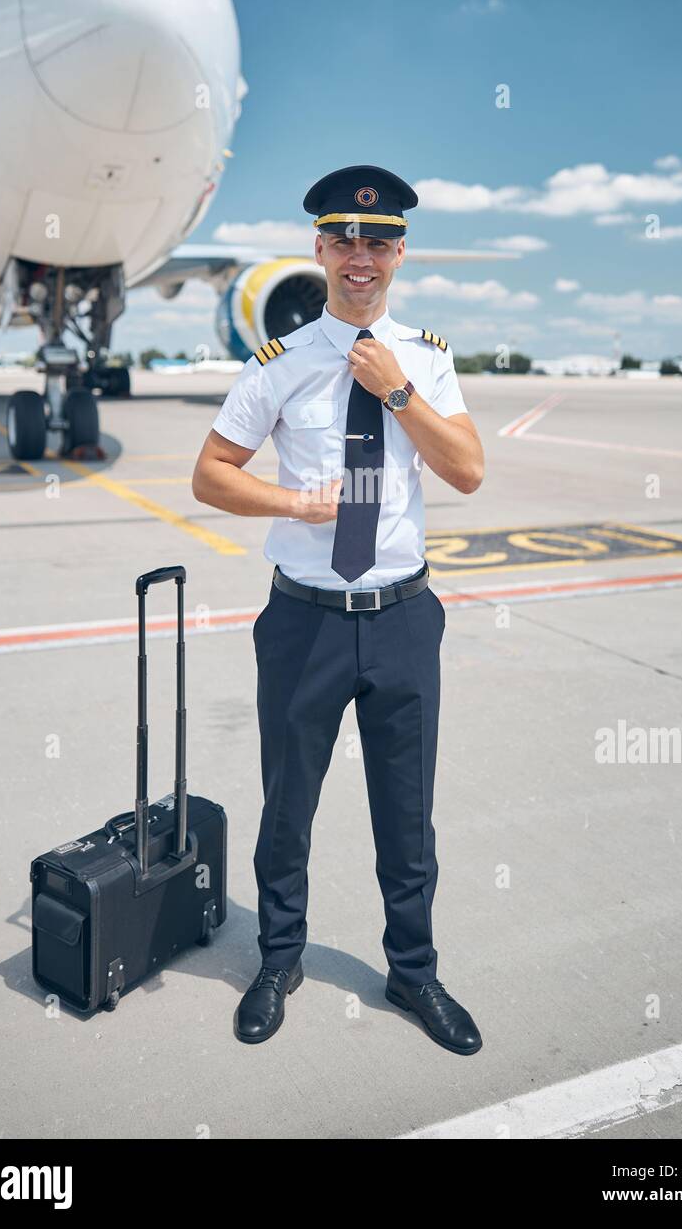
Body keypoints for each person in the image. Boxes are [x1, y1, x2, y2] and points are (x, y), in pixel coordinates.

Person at [192, 165, 485, 1054]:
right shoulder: (278, 366)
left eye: (379, 240)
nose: (361, 255)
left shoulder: (427, 358)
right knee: (290, 806)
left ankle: (415, 973)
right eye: (344, 239)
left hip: (402, 617)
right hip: (305, 621)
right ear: (319, 248)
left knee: (407, 811)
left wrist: (398, 389)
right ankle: (278, 961)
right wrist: (292, 505)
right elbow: (210, 474)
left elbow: (467, 471)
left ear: (400, 253)